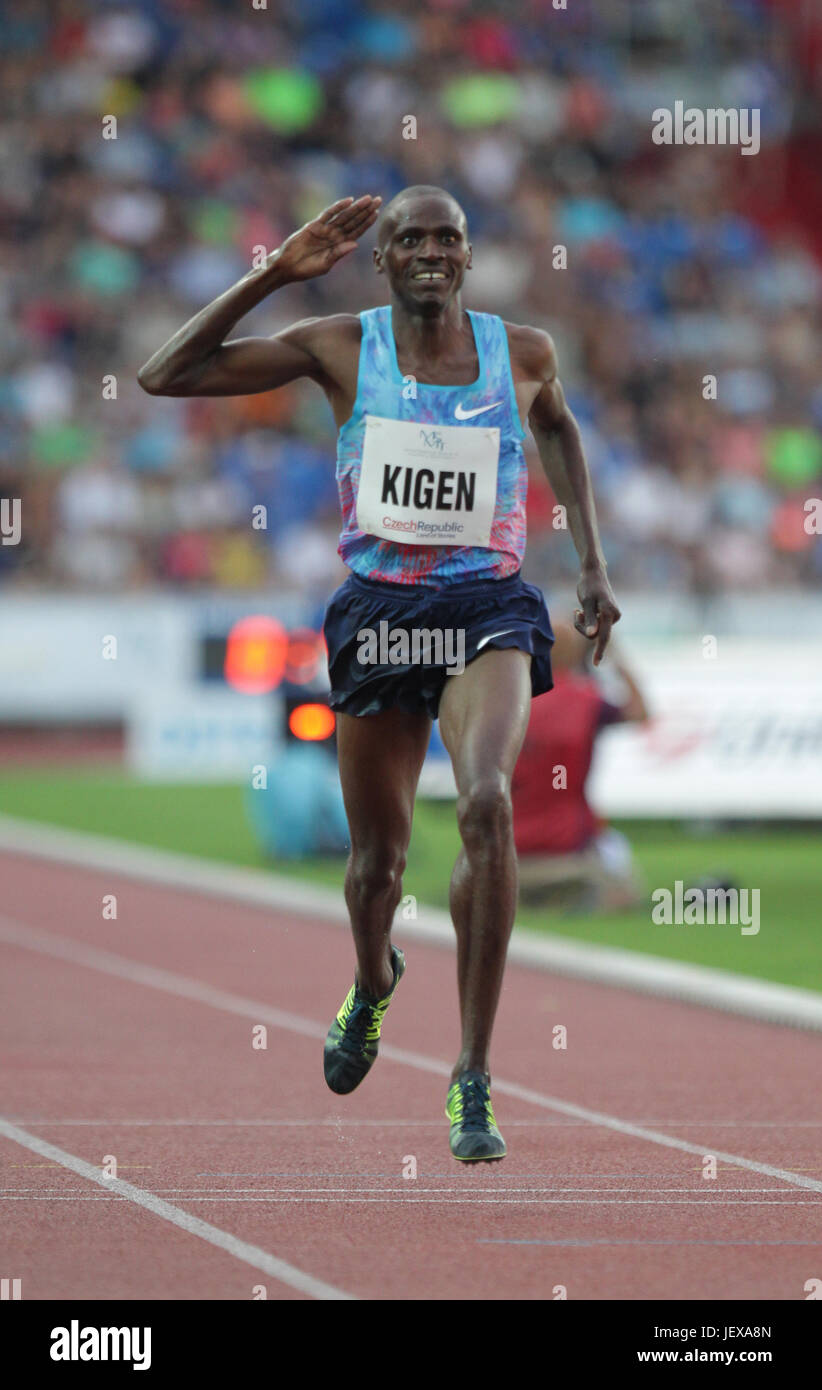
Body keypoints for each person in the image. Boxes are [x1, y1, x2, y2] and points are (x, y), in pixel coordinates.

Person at [138, 186, 621, 1162]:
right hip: (381, 616)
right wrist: (277, 270)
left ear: (469, 255)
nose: (434, 251)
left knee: (486, 804)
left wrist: (595, 563)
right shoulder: (339, 346)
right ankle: (372, 979)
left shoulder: (521, 351)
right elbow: (165, 374)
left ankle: (472, 1073)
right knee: (378, 867)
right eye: (413, 239)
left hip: (487, 606)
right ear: (383, 258)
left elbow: (559, 428)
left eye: (449, 237)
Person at [512, 622, 649, 912]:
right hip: (569, 843)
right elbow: (641, 712)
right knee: (618, 857)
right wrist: (612, 650)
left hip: (510, 844)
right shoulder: (586, 699)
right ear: (577, 652)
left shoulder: (510, 699)